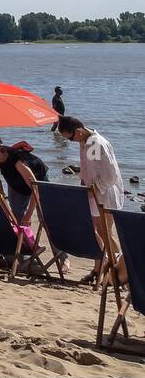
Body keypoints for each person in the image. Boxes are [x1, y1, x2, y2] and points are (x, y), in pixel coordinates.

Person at [56, 115, 128, 279]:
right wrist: (84, 182)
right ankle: (102, 266)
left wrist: (95, 188)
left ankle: (119, 267)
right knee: (99, 231)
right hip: (93, 192)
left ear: (79, 130)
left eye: (71, 137)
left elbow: (110, 175)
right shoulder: (85, 142)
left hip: (104, 193)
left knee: (105, 231)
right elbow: (90, 168)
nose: (72, 141)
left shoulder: (94, 143)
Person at [0, 137, 49, 223]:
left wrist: (28, 214)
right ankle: (24, 235)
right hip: (16, 183)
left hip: (38, 178)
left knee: (45, 215)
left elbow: (35, 188)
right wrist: (6, 211)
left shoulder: (17, 159)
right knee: (17, 217)